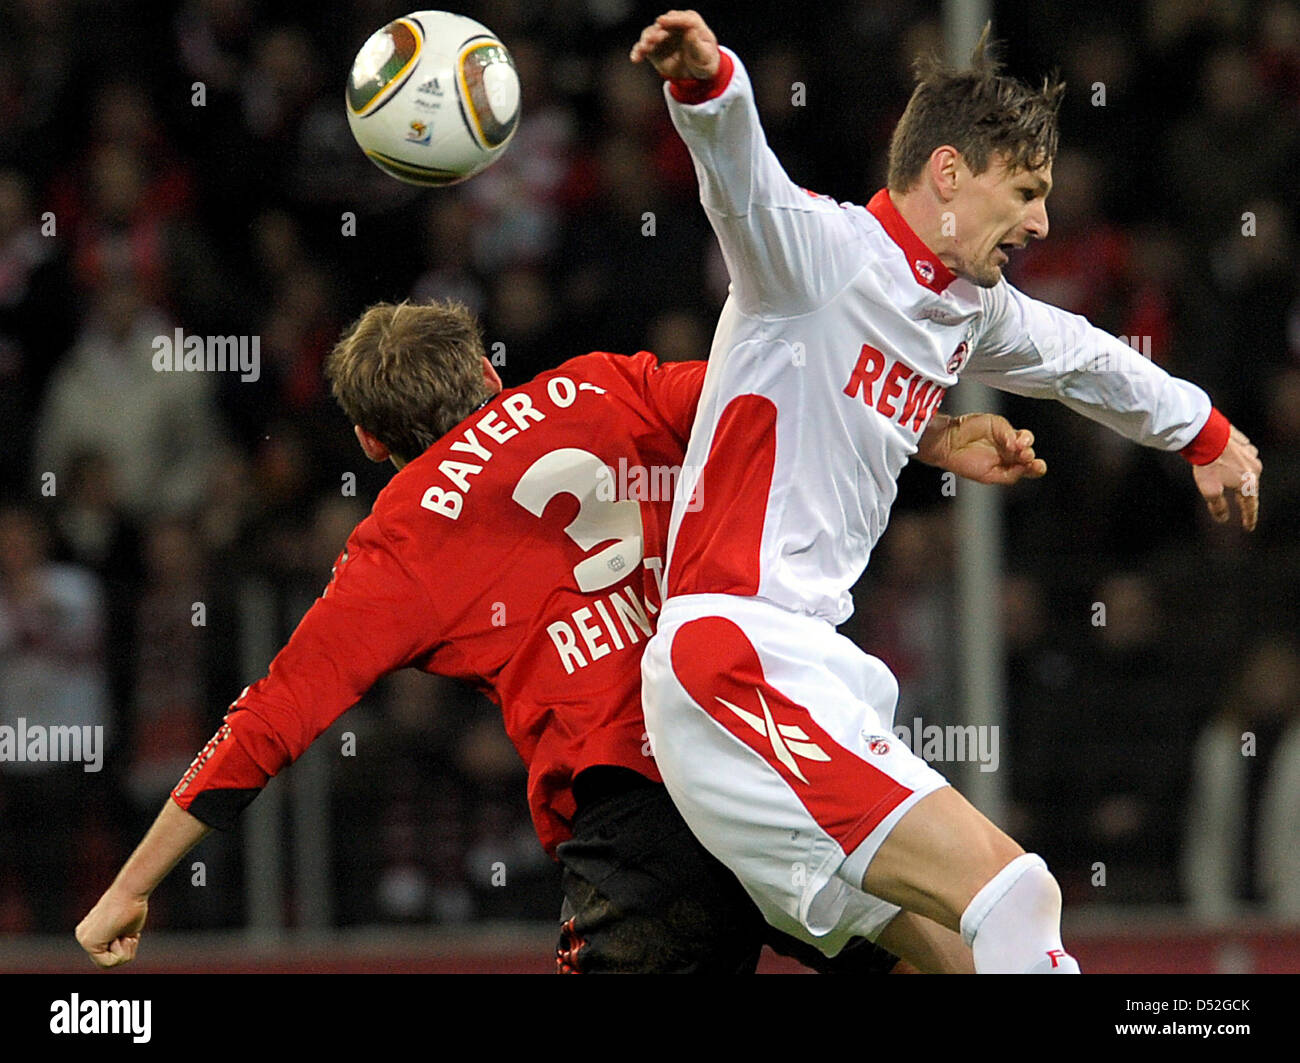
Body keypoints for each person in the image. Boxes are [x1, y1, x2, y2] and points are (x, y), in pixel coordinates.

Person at [76, 298, 1044, 973]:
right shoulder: (600, 386)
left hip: (640, 807)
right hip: (770, 751)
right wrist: (933, 433)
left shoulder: (402, 533)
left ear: (372, 443)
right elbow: (770, 403)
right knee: (953, 958)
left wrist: (130, 883)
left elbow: (269, 719)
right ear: (490, 372)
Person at [630, 9, 1262, 974]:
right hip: (735, 658)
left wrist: (1203, 431)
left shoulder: (964, 309)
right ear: (950, 172)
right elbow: (741, 178)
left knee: (975, 958)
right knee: (1017, 892)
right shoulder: (818, 257)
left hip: (802, 674)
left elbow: (1083, 357)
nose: (1044, 220)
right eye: (1027, 190)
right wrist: (710, 83)